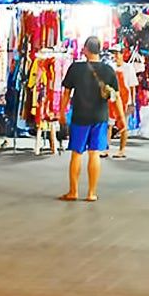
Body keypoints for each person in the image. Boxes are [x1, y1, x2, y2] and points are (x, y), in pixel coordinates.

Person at [58, 36, 119, 202]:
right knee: (94, 154)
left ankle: (73, 191)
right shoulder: (108, 70)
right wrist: (121, 118)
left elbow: (66, 93)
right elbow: (116, 96)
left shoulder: (75, 68)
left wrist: (61, 112)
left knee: (76, 154)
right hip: (100, 116)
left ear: (85, 49)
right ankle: (92, 193)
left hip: (80, 116)